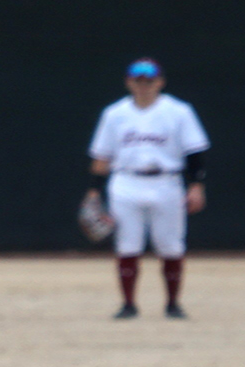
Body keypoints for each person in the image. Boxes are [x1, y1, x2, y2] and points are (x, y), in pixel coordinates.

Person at [87, 57, 210, 318]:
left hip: (167, 181)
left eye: (150, 81)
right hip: (125, 182)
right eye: (138, 81)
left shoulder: (179, 111)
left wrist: (196, 185)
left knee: (171, 245)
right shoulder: (114, 114)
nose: (144, 86)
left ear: (160, 82)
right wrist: (94, 191)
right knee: (127, 245)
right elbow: (102, 156)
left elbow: (194, 152)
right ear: (128, 82)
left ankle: (173, 304)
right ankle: (129, 304)